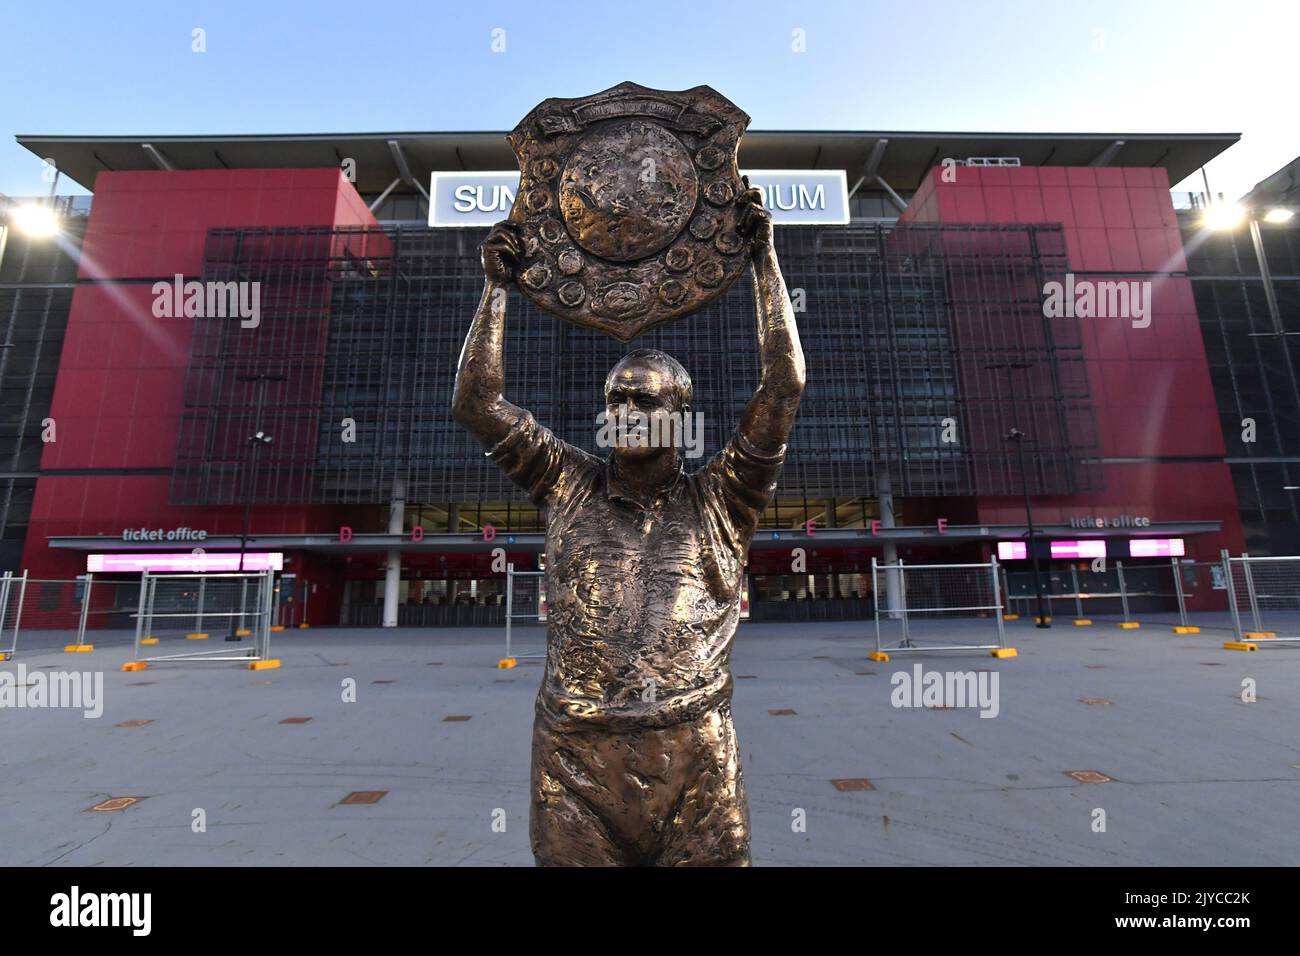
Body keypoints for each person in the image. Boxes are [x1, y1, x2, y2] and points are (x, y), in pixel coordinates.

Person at [452, 184, 804, 866]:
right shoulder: (565, 482)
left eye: (642, 397)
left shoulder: (722, 501)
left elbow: (783, 385)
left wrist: (766, 259)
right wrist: (496, 288)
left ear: (677, 414)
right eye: (615, 397)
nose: (624, 407)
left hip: (695, 761)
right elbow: (477, 401)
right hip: (575, 760)